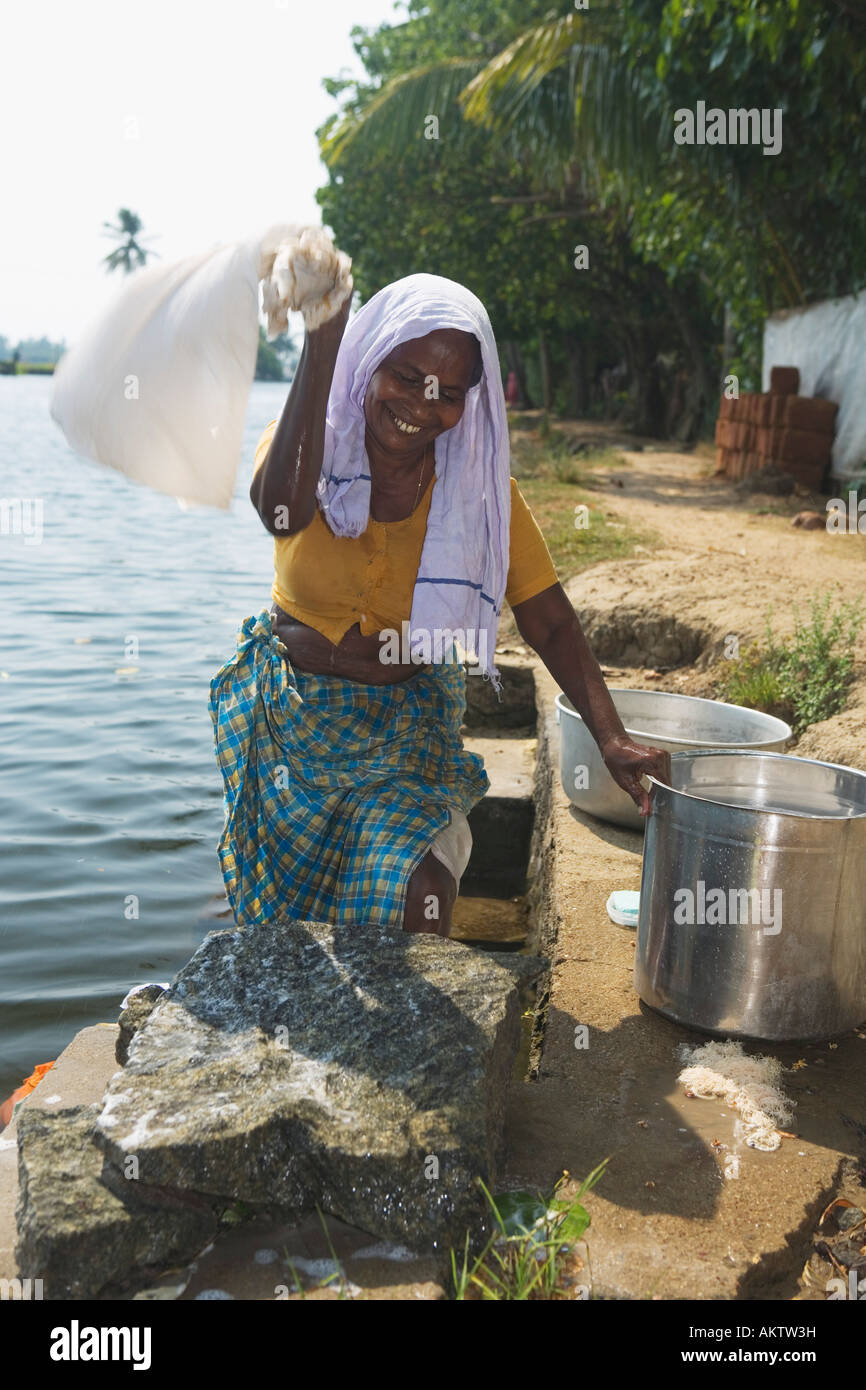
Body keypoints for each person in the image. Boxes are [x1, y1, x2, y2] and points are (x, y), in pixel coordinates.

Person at [209, 273, 669, 938]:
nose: (421, 404)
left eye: (447, 393)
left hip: (404, 732)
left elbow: (551, 620)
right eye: (403, 374)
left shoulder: (478, 494)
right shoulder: (307, 445)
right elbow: (278, 509)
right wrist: (322, 343)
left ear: (467, 401)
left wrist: (612, 737)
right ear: (367, 363)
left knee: (417, 894)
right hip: (294, 725)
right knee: (289, 934)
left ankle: (408, 1037)